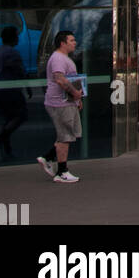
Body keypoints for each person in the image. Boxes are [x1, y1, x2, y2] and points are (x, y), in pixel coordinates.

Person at [37, 30, 83, 183]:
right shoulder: (58, 59)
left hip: (67, 102)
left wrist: (77, 99)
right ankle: (62, 172)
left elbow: (71, 79)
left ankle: (48, 157)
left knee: (67, 135)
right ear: (62, 43)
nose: (74, 43)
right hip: (60, 103)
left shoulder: (64, 58)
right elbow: (60, 79)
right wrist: (75, 93)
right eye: (71, 40)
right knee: (65, 136)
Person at [0, 25, 29, 159]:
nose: (18, 38)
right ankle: (0, 139)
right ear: (13, 38)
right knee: (21, 114)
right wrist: (27, 87)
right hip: (9, 89)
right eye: (16, 36)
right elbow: (19, 71)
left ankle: (6, 148)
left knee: (8, 118)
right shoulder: (11, 53)